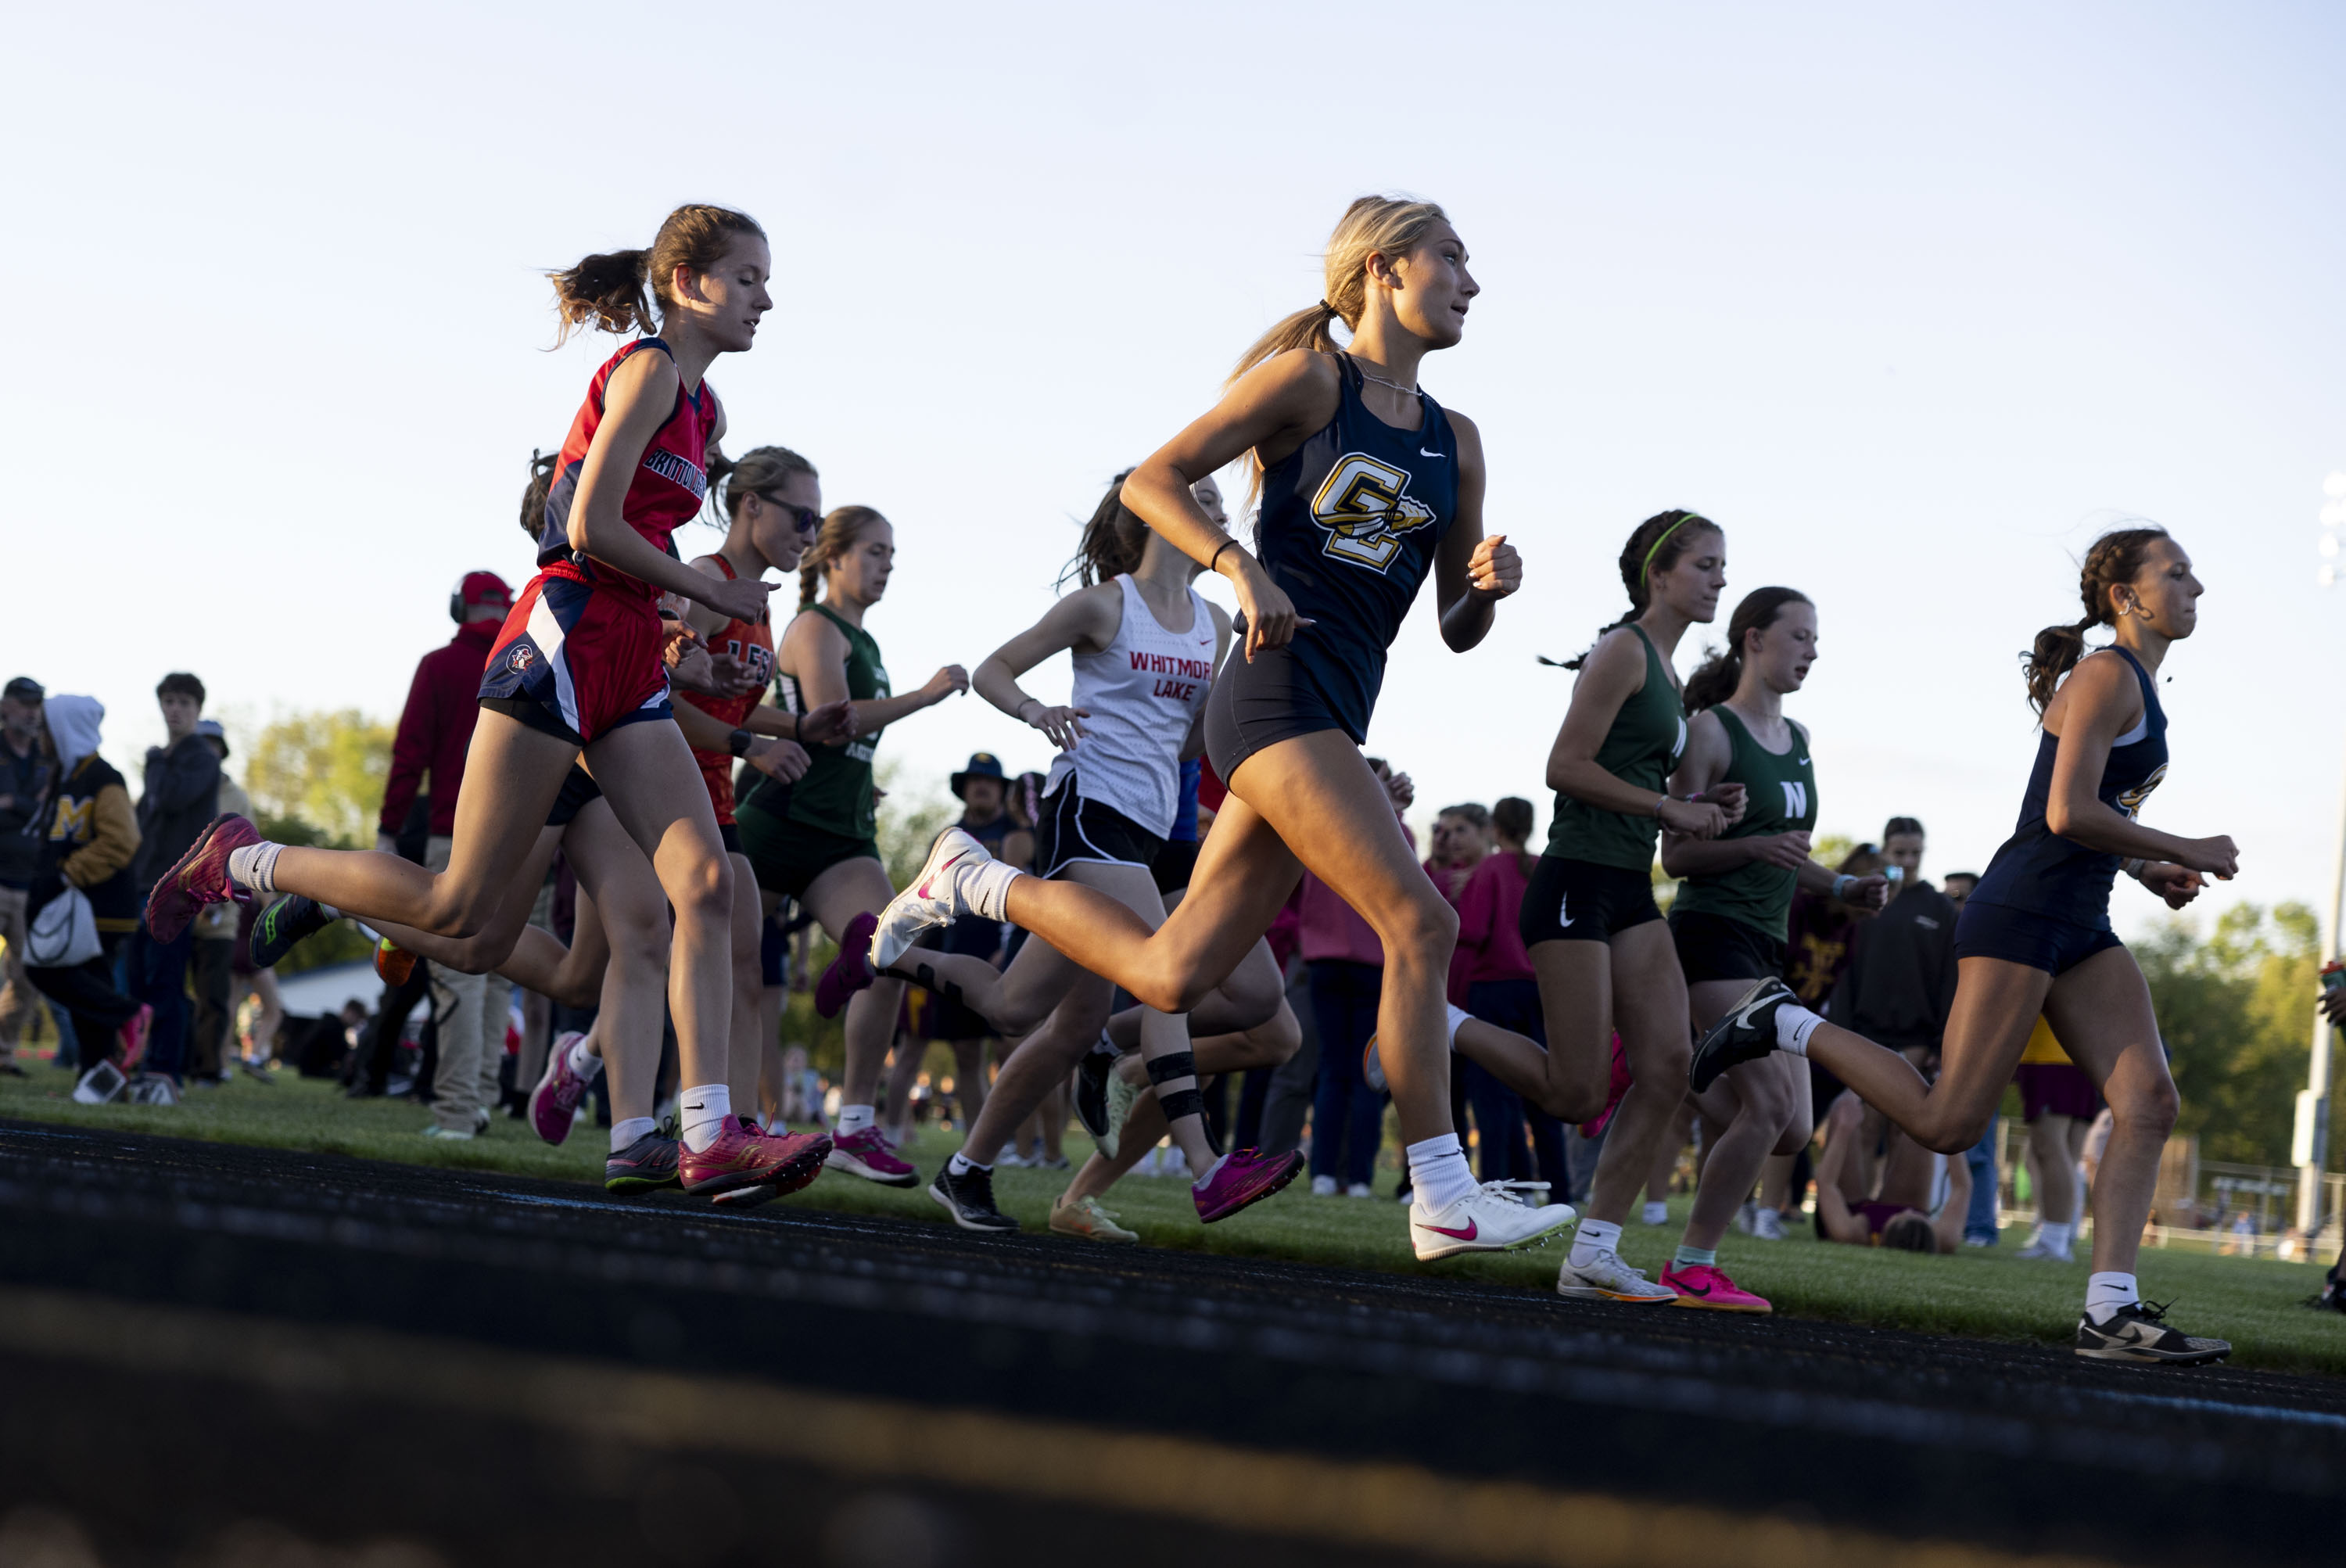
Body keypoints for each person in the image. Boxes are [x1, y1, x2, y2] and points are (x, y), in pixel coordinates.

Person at [864, 196, 1569, 1261]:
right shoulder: (1309, 380)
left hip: (1336, 705)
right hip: (1270, 698)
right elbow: (1154, 481)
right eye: (1453, 259)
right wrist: (1238, 567)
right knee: (1419, 923)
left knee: (1168, 978)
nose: (1473, 282)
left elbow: (1457, 632)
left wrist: (1488, 590)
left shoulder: (1456, 442)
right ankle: (1440, 1192)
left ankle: (971, 880)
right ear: (1382, 269)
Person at [151, 203, 831, 1203]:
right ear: (687, 283)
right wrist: (707, 591)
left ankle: (705, 1132)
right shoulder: (646, 370)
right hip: (562, 633)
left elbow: (635, 534)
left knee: (707, 884)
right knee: (461, 911)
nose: (766, 299)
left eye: (768, 280)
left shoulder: (704, 410)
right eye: (748, 277)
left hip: (631, 651)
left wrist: (687, 638)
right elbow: (593, 526)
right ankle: (243, 860)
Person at [1692, 526, 2235, 1365]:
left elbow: (2093, 822)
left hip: (2080, 921)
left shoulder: (2141, 687)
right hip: (2020, 914)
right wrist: (2189, 845)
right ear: (2127, 597)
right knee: (1947, 1123)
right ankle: (1785, 1021)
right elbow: (2061, 815)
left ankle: (2110, 1311)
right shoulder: (2104, 674)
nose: (2195, 586)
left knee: (2149, 1103)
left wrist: (2145, 866)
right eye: (2178, 572)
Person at [917, 468, 1281, 1233]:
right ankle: (1207, 1168)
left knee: (1035, 1012)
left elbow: (1187, 739)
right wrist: (1034, 708)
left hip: (1152, 829)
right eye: (1202, 497)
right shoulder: (1104, 604)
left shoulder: (1215, 622)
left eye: (1218, 499)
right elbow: (994, 669)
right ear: (1154, 513)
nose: (1219, 509)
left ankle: (963, 1163)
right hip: (1086, 811)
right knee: (1165, 972)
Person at [1656, 587, 1888, 1311]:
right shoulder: (1711, 732)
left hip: (1765, 946)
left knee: (1791, 1129)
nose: (1811, 651)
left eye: (1816, 640)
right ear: (1753, 640)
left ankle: (1664, 1065)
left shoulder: (1801, 740)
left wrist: (1843, 884)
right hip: (1709, 935)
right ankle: (1693, 1263)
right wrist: (1751, 843)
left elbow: (1788, 858)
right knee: (1767, 1105)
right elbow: (1676, 857)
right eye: (1799, 636)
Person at [731, 501, 969, 1187]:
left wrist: (863, 784)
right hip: (777, 820)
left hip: (842, 834)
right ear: (832, 557)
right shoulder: (814, 625)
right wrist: (924, 696)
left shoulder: (866, 642)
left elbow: (850, 747)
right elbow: (834, 722)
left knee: (894, 948)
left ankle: (855, 1127)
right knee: (724, 964)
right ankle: (601, 1059)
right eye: (873, 551)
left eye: (892, 555)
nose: (885, 565)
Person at [669, 444, 842, 1122]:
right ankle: (589, 1058)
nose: (809, 535)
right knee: (578, 963)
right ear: (751, 504)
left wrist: (802, 728)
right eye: (802, 518)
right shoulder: (704, 580)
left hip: (713, 792)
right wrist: (752, 746)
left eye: (816, 524)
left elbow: (728, 699)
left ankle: (736, 1125)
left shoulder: (759, 600)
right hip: (654, 787)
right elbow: (653, 703)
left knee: (745, 962)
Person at [23, 697, 149, 1100]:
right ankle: (98, 1086)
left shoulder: (102, 778)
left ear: (63, 730)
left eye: (45, 728)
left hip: (100, 907)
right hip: (78, 905)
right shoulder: (67, 776)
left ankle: (130, 1015)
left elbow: (122, 840)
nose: (40, 736)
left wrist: (65, 874)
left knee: (45, 971)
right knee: (85, 1003)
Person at [128, 673, 220, 1084]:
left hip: (176, 886)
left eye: (184, 702)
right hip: (145, 882)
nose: (175, 709)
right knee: (136, 979)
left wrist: (153, 763)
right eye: (168, 701)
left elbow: (170, 799)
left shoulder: (200, 756)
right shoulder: (163, 760)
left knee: (167, 979)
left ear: (198, 709)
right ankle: (137, 1062)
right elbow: (146, 822)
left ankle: (165, 1067)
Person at [1811, 1092, 1971, 1253]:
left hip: (1848, 1208)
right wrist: (1948, 1138)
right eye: (1920, 1217)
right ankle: (1920, 1077)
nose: (1907, 1212)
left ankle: (1860, 1079)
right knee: (1924, 1126)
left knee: (1844, 1110)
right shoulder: (1941, 1238)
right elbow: (1962, 1188)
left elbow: (1826, 1183)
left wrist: (1843, 1130)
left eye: (1903, 1215)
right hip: (1904, 1204)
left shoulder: (1849, 1233)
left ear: (1883, 1236)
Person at [0, 676, 56, 1075]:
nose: (32, 710)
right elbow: (34, 807)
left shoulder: (46, 756)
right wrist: (27, 805)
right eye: (25, 702)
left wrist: (10, 804)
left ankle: (3, 1053)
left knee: (27, 975)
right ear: (6, 705)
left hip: (30, 881)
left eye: (37, 703)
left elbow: (49, 809)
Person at [187, 721, 246, 1084]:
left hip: (217, 915)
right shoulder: (181, 789)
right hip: (175, 910)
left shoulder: (237, 797)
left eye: (214, 744)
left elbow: (248, 850)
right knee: (166, 992)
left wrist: (222, 895)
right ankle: (167, 1060)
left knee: (214, 997)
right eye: (202, 743)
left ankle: (208, 1067)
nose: (208, 751)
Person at [2011, 1016, 2096, 1261]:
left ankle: (2054, 1239)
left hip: (2051, 1058)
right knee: (2066, 1155)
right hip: (2081, 1056)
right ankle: (2060, 1236)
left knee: (2050, 1149)